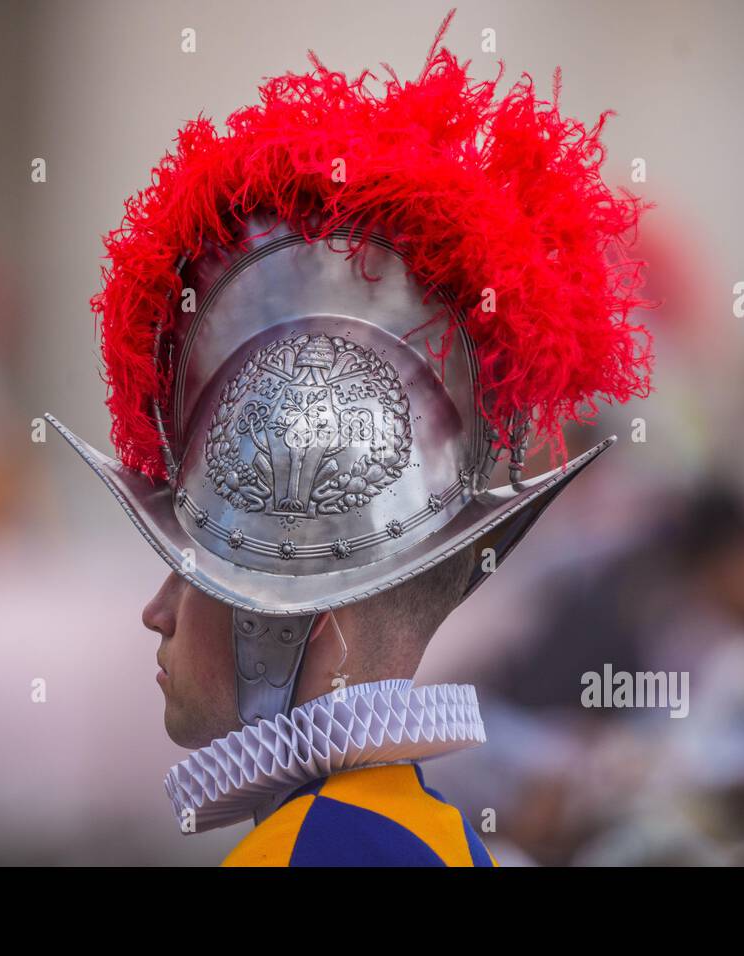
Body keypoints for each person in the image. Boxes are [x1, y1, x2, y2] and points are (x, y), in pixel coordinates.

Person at [48, 11, 651, 866]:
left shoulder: (305, 853)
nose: (155, 614)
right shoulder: (440, 836)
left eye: (192, 573)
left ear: (301, 627)